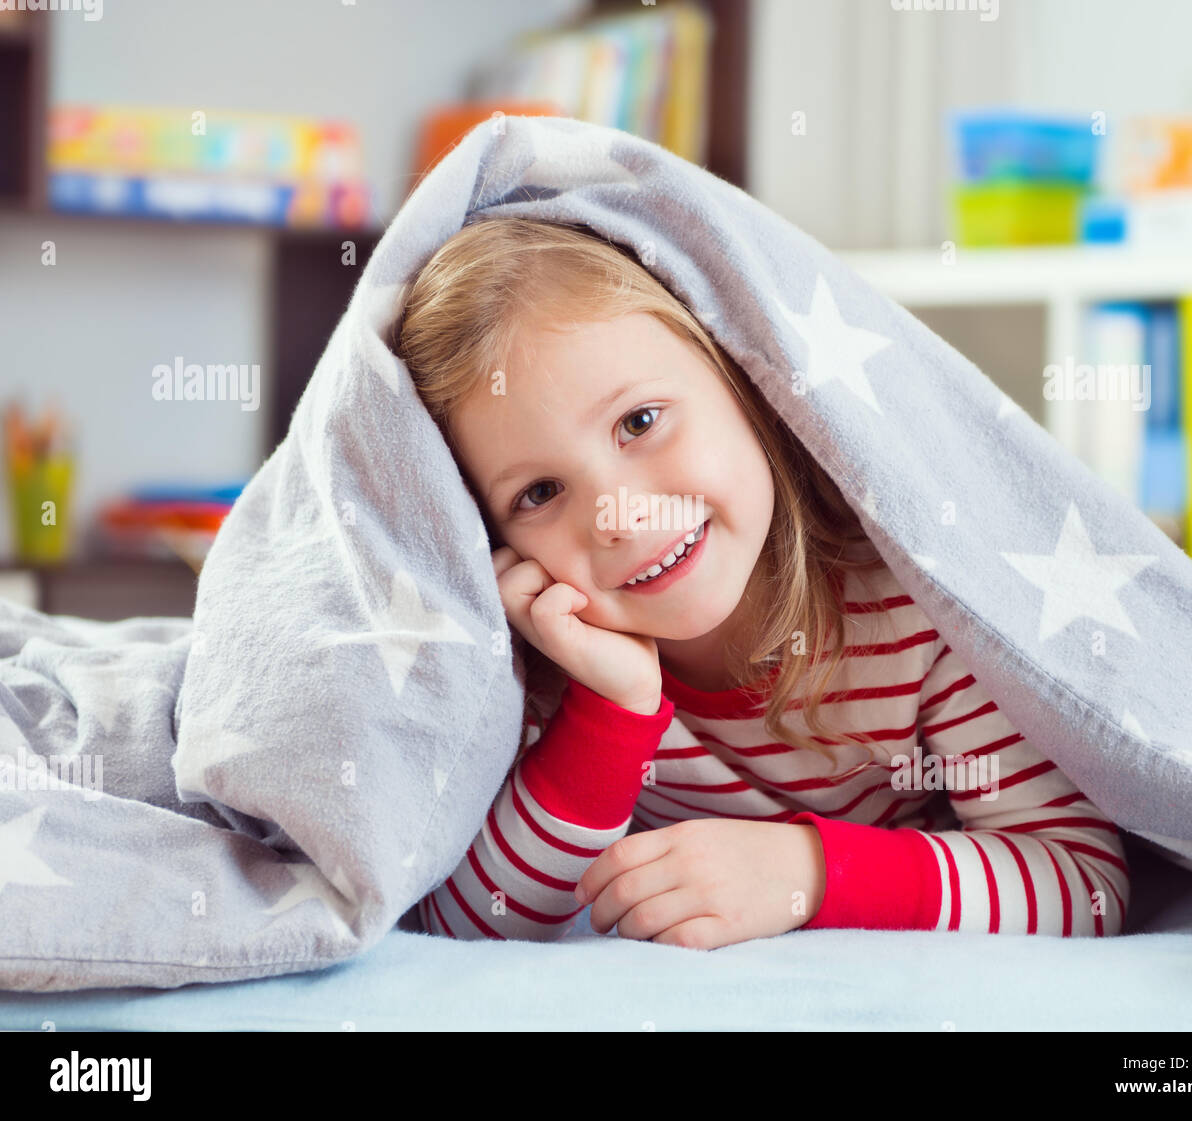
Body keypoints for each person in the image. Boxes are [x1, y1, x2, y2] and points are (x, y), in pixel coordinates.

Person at [391, 216, 1129, 948]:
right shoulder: (547, 660)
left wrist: (806, 872)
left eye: (640, 422)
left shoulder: (917, 608)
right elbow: (465, 928)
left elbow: (1082, 882)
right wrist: (611, 712)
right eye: (540, 493)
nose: (619, 515)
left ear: (746, 380)